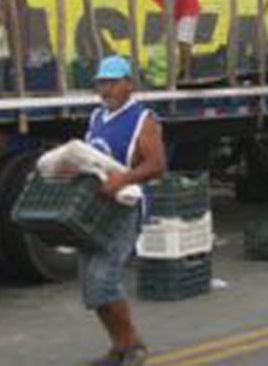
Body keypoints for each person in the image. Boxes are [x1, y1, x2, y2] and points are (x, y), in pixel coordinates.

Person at [82, 56, 166, 366]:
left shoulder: (143, 119)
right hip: (97, 207)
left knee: (103, 278)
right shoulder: (96, 117)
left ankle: (132, 345)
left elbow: (157, 165)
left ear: (129, 84)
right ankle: (120, 345)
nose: (106, 89)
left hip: (126, 207)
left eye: (112, 82)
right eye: (101, 83)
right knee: (90, 283)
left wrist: (123, 179)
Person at [122, 0, 201, 81]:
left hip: (188, 8)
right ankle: (178, 71)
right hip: (177, 10)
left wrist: (169, 23)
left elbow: (169, 4)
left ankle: (186, 74)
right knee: (171, 41)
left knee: (184, 41)